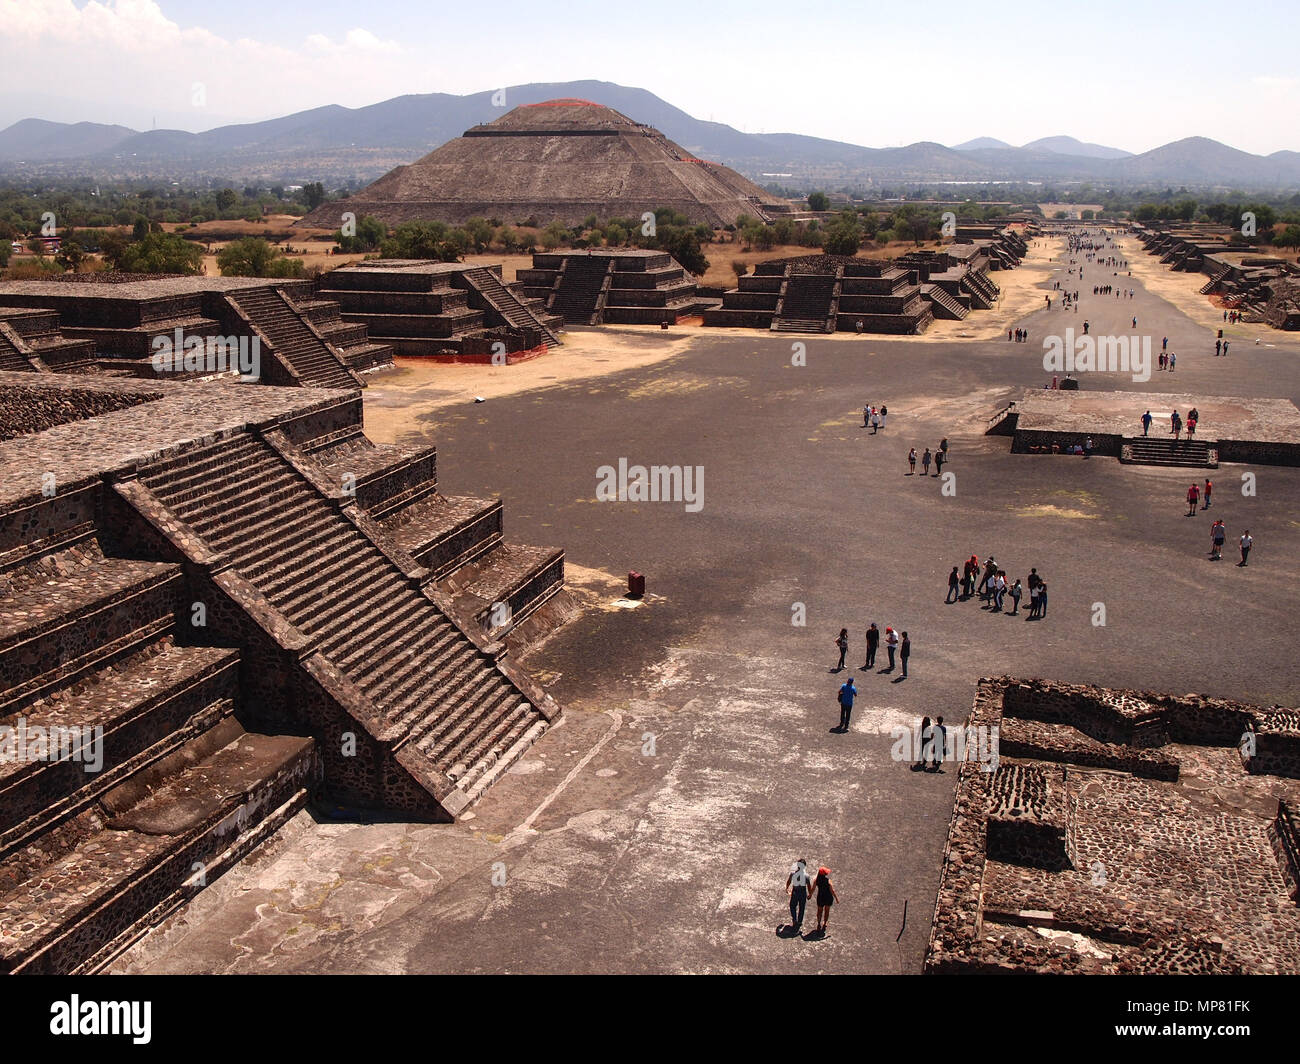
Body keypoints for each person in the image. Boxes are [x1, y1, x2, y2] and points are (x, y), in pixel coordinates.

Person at [786, 859, 811, 931]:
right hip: (803, 892)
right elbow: (809, 886)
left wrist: (787, 888)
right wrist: (810, 894)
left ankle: (794, 919)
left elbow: (789, 881)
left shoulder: (793, 874)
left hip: (795, 891)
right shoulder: (806, 876)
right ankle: (799, 921)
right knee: (802, 907)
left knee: (792, 905)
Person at [813, 866, 838, 934]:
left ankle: (819, 923)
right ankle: (825, 922)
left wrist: (810, 895)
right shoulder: (828, 881)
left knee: (819, 911)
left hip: (820, 897)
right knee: (827, 911)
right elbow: (832, 891)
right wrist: (836, 898)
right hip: (828, 897)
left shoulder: (816, 880)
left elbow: (813, 889)